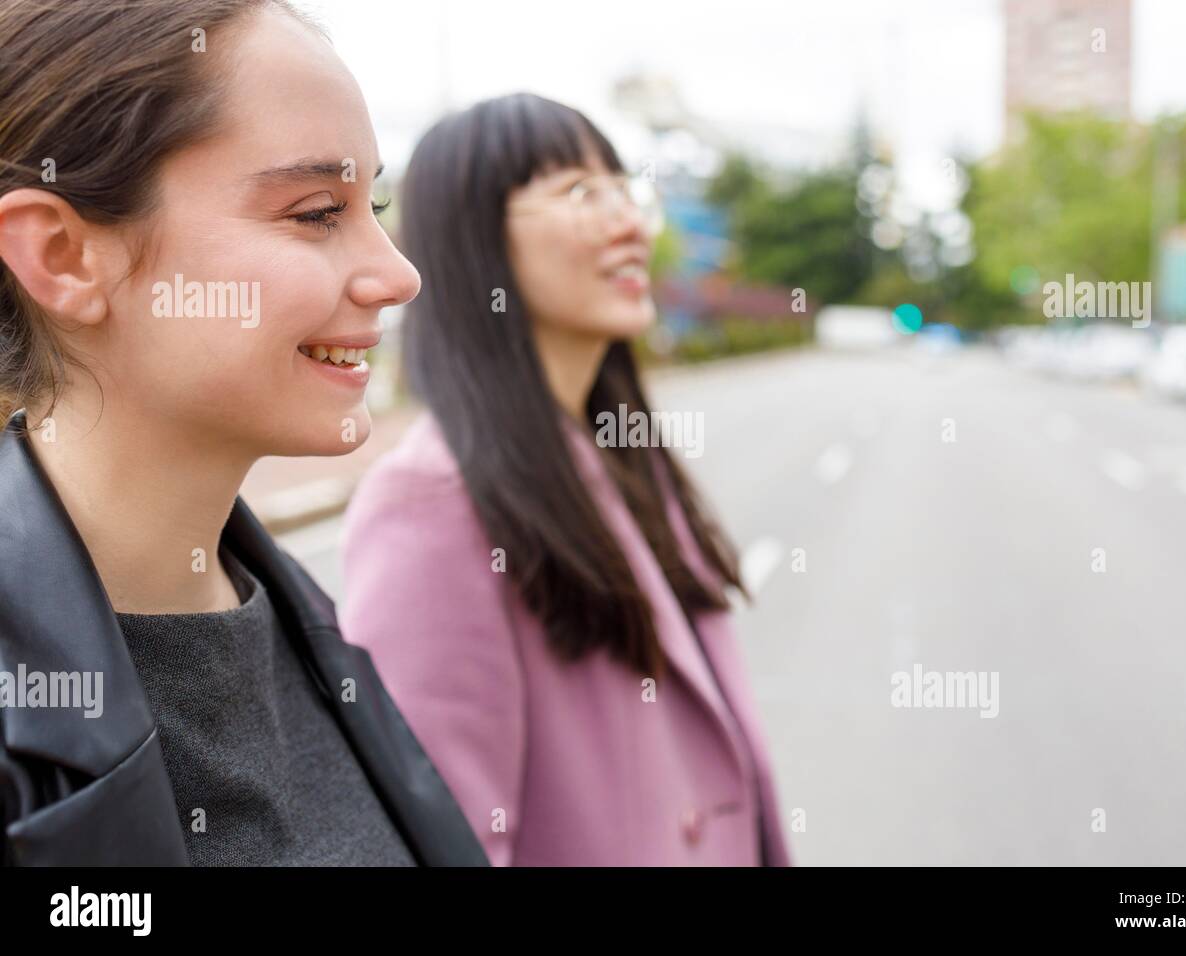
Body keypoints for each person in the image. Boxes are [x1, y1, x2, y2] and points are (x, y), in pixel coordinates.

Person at [0, 0, 485, 866]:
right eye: (314, 212)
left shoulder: (305, 623)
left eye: (371, 202)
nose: (398, 273)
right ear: (63, 256)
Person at [340, 93, 793, 866]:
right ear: (476, 241)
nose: (631, 225)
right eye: (581, 193)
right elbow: (444, 844)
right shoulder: (434, 504)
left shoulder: (626, 457)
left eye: (625, 190)